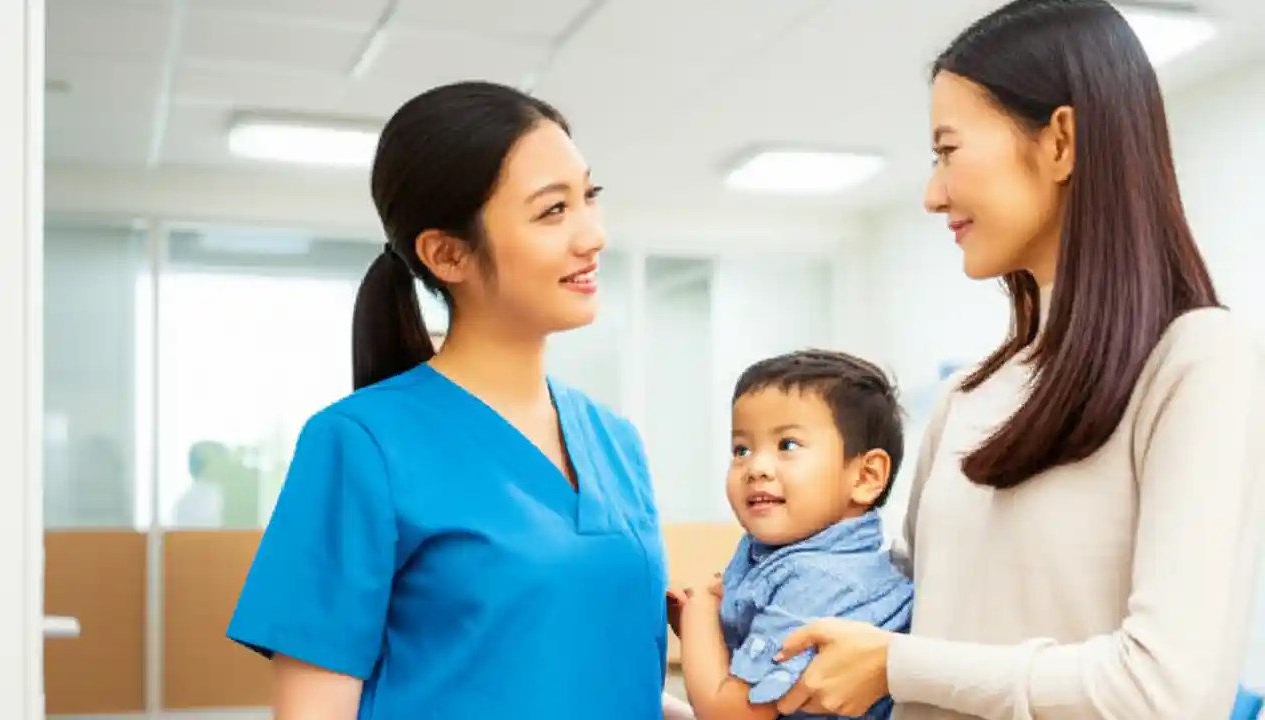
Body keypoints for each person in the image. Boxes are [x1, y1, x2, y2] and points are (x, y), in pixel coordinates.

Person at [768, 2, 1265, 719]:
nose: (933, 193)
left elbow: (1168, 692)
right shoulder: (970, 395)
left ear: (1061, 141)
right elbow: (892, 633)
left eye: (947, 150)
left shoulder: (1197, 359)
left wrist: (901, 665)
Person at [225, 81, 678, 720]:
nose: (593, 234)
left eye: (589, 197)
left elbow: (577, 665)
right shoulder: (360, 443)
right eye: (553, 210)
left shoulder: (616, 440)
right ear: (447, 253)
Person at [677, 350, 913, 720]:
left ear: (866, 477)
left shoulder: (822, 581)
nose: (756, 467)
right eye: (741, 449)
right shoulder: (781, 555)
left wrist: (699, 614)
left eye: (787, 445)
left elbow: (730, 714)